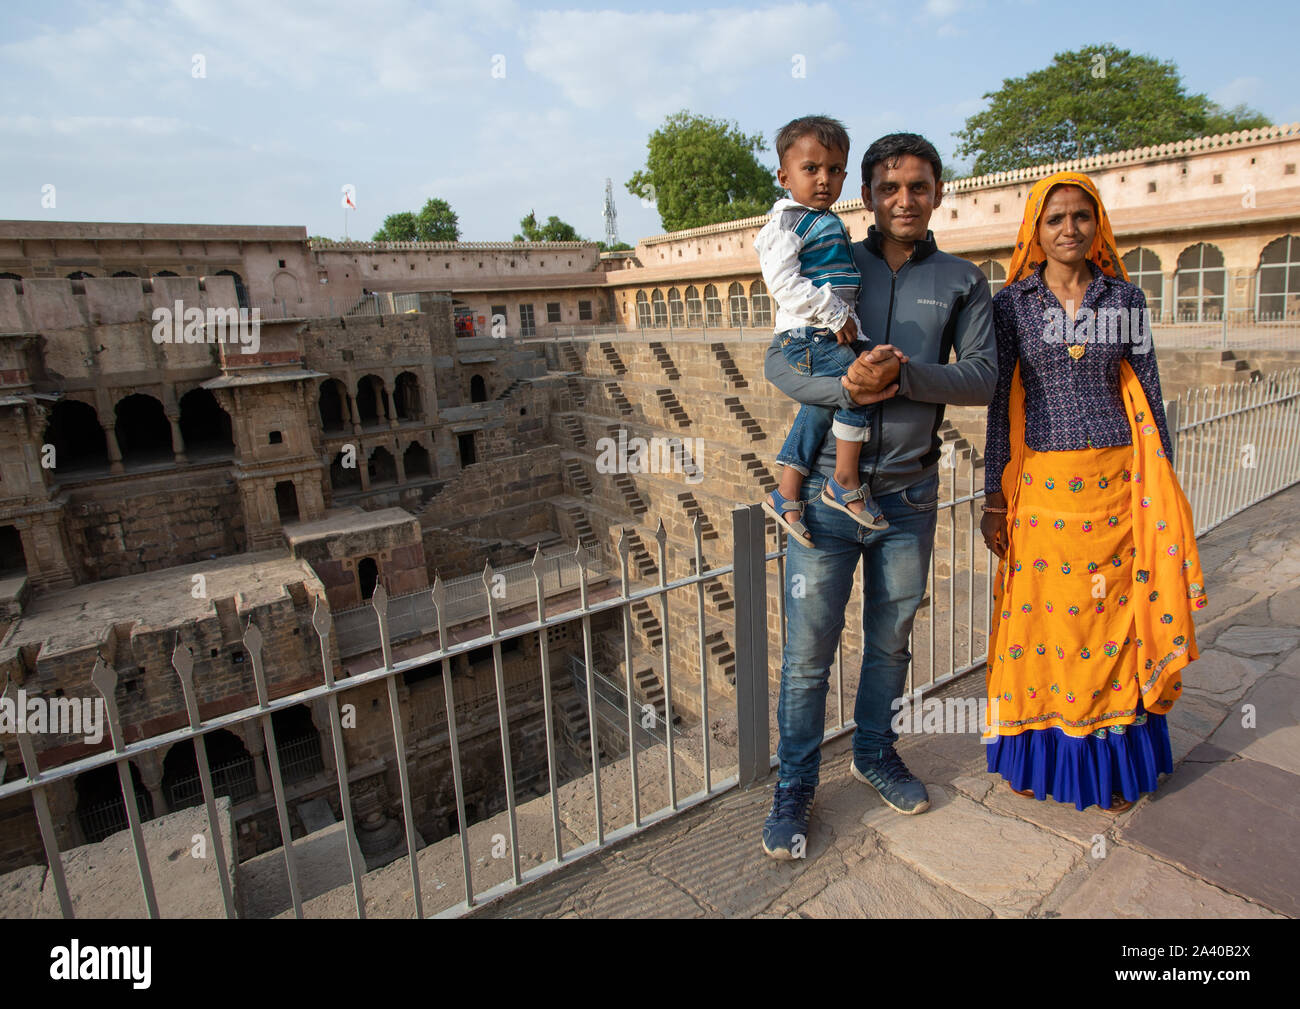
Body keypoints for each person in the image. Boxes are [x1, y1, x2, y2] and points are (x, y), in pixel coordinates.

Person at [761, 133, 997, 859]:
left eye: (918, 186)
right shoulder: (833, 254)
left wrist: (898, 378)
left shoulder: (961, 279)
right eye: (889, 186)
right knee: (807, 653)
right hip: (833, 497)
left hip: (909, 498)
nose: (904, 199)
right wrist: (845, 387)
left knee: (890, 644)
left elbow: (985, 377)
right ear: (868, 194)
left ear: (937, 193)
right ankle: (795, 783)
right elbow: (778, 359)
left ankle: (874, 752)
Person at [980, 171, 1208, 813]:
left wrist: (1163, 483)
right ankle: (1044, 752)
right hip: (1046, 489)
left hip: (1118, 487)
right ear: (1035, 229)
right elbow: (1001, 406)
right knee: (1051, 622)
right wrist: (994, 498)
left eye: (1082, 216)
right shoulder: (1014, 306)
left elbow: (1151, 391)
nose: (1069, 229)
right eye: (1056, 219)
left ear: (1098, 223)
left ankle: (1109, 765)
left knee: (1113, 622)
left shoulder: (1124, 299)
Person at [756, 115, 887, 544]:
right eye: (810, 169)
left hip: (824, 334)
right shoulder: (786, 223)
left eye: (834, 170)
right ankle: (843, 482)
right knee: (860, 387)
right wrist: (836, 317)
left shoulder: (821, 219)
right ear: (784, 175)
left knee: (819, 407)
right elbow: (785, 286)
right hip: (809, 335)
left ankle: (785, 492)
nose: (824, 179)